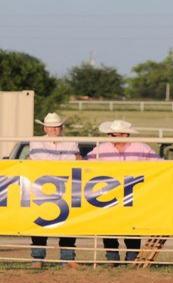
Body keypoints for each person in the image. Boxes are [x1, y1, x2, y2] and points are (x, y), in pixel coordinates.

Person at [87, 120, 161, 264]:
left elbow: (159, 164)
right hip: (108, 192)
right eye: (113, 135)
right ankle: (112, 257)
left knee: (132, 225)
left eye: (118, 134)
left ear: (126, 134)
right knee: (108, 226)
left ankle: (132, 256)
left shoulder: (141, 148)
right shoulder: (100, 149)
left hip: (135, 192)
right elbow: (87, 164)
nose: (115, 137)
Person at [28, 112, 81, 269]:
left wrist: (55, 165)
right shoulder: (35, 141)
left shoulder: (70, 141)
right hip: (42, 186)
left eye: (56, 127)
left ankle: (67, 258)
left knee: (68, 222)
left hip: (66, 186)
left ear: (61, 128)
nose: (53, 130)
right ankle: (38, 258)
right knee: (39, 222)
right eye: (51, 127)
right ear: (45, 128)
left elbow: (67, 161)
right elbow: (44, 161)